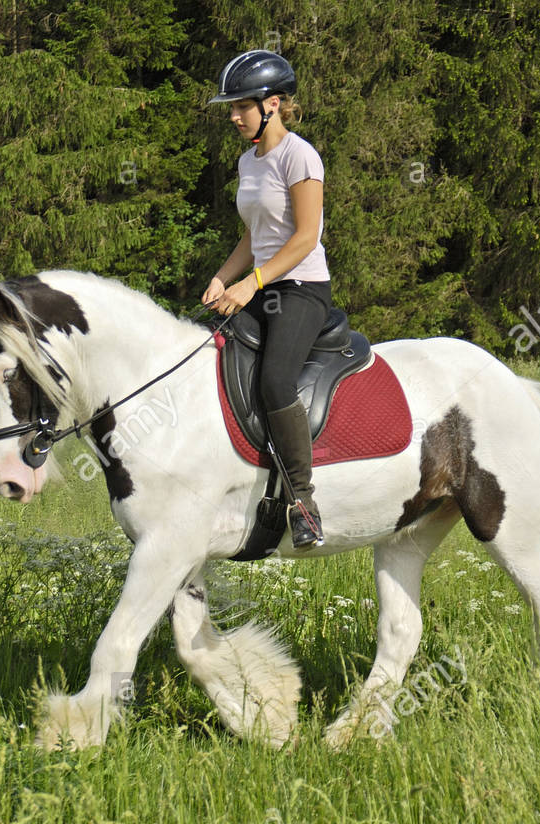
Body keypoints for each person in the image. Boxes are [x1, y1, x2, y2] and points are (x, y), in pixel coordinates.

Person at [203, 49, 330, 549]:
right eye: (231, 107)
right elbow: (254, 237)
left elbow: (304, 238)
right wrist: (221, 277)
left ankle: (303, 501)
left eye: (241, 106)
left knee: (276, 381)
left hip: (301, 288)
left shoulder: (300, 156)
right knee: (208, 351)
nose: (233, 115)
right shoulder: (247, 160)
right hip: (259, 280)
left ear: (272, 104)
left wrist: (251, 283)